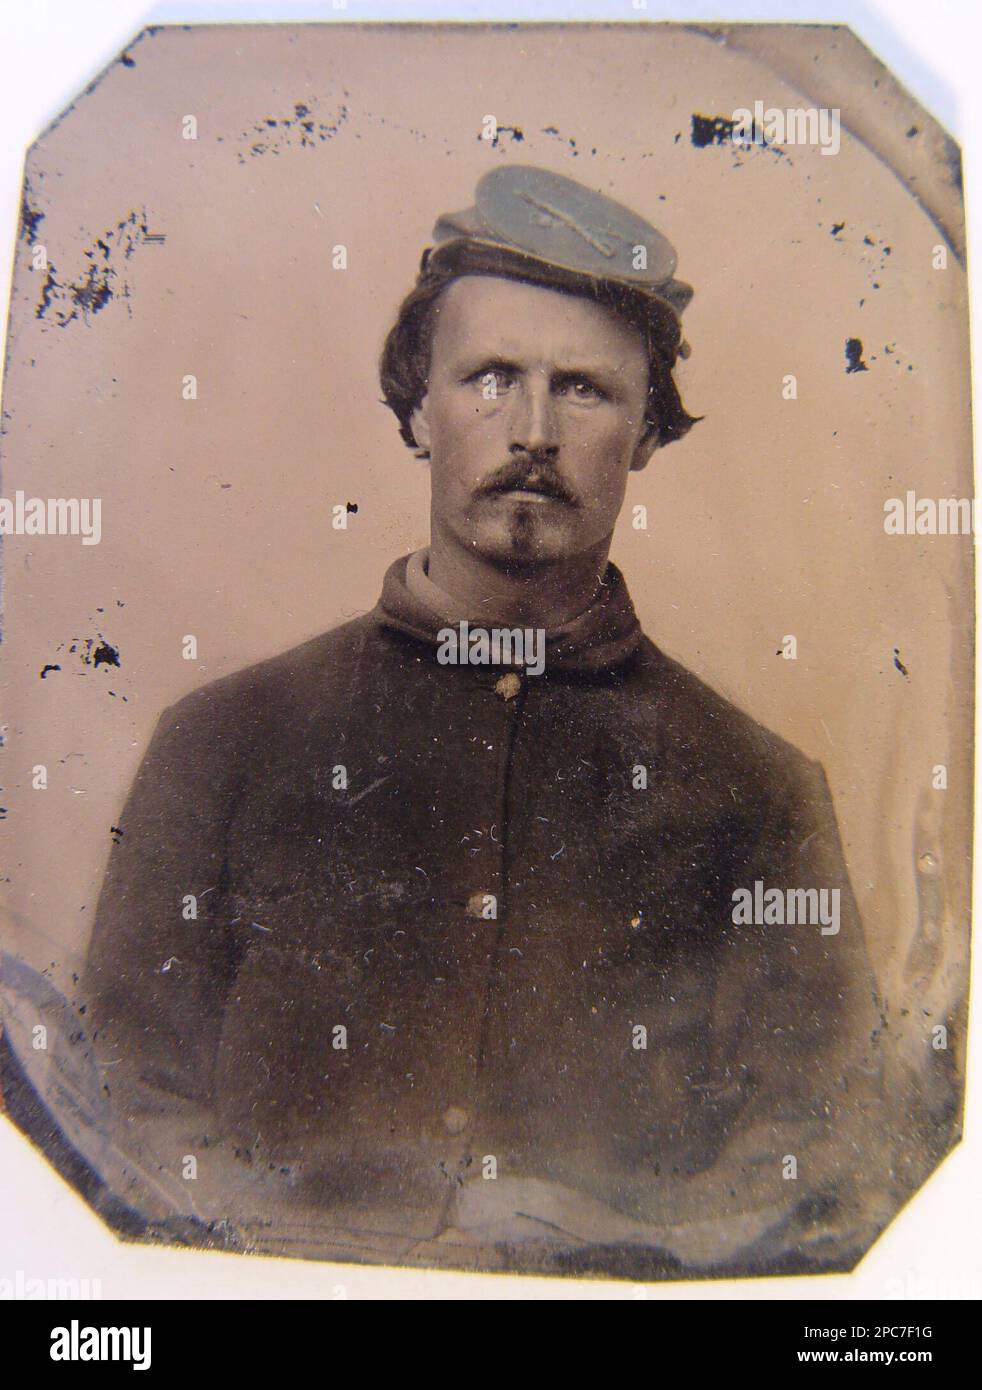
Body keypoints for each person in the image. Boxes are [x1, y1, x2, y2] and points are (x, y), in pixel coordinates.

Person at [81, 166, 888, 1277]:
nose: (533, 431)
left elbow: (819, 1143)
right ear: (418, 407)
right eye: (490, 377)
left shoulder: (759, 791)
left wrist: (615, 1252)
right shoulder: (220, 741)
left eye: (585, 391)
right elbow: (121, 1096)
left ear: (648, 432)